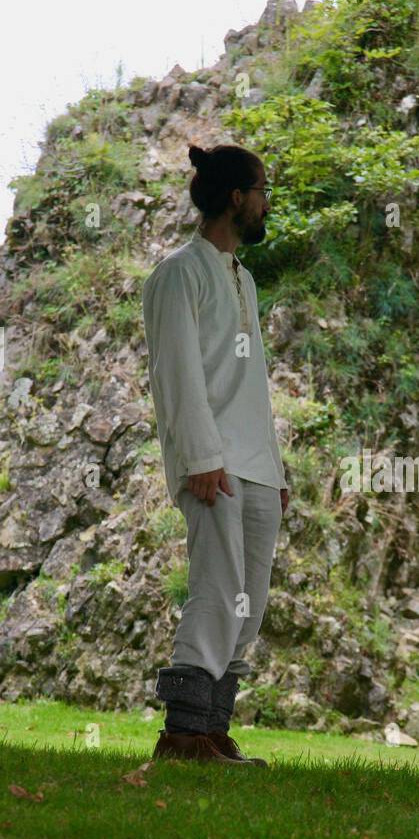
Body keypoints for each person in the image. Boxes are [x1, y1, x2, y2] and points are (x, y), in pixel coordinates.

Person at [141, 143, 287, 766]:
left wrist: (275, 469)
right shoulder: (179, 273)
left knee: (247, 599)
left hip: (256, 465)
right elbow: (178, 375)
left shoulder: (244, 279)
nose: (266, 203)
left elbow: (249, 386)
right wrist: (202, 457)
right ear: (236, 197)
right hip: (213, 464)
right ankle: (183, 734)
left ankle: (213, 731)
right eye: (261, 191)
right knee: (216, 587)